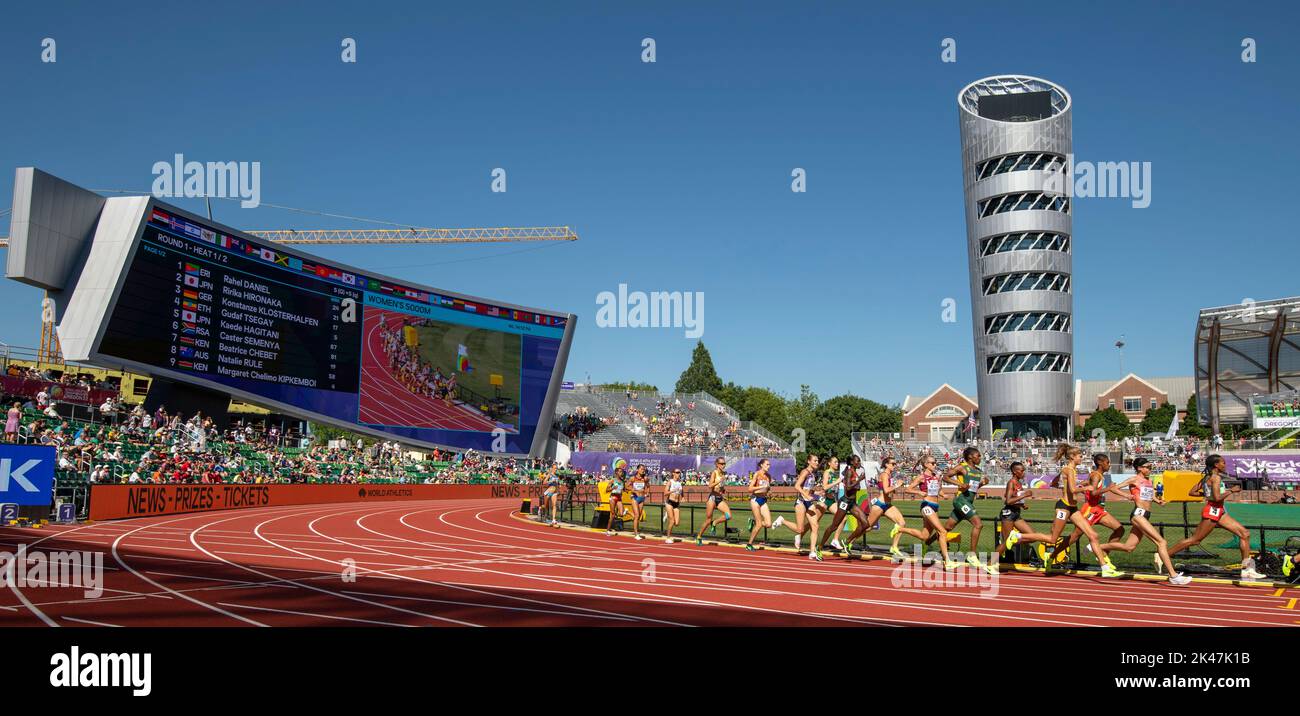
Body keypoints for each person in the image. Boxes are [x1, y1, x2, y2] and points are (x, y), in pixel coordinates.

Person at [1163, 454, 1266, 580]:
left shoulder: (1207, 477)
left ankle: (1247, 569)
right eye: (1223, 463)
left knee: (1244, 534)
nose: (1225, 465)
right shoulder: (1215, 478)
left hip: (1219, 511)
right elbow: (1217, 498)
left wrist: (1207, 494)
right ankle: (1163, 555)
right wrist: (1231, 491)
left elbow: (1192, 492)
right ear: (1216, 465)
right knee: (1195, 540)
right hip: (1213, 510)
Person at [1095, 457, 1191, 585]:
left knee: (1129, 547)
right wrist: (1127, 495)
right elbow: (1113, 488)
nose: (1150, 469)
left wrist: (1158, 501)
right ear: (1140, 468)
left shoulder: (1148, 481)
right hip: (1138, 515)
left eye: (1151, 467)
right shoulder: (1134, 479)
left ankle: (1096, 547)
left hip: (1145, 515)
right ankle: (1173, 576)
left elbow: (1149, 496)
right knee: (1161, 542)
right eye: (1148, 467)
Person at [1040, 444, 1120, 577]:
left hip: (1075, 508)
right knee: (1054, 539)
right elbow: (1077, 490)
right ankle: (997, 558)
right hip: (1069, 507)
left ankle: (1104, 566)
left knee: (1094, 535)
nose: (1082, 458)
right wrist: (1084, 488)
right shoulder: (1071, 470)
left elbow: (1058, 483)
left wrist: (1064, 485)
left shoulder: (1071, 470)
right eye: (1080, 456)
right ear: (1072, 457)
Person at [840, 456, 929, 561]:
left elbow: (886, 490)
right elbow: (886, 491)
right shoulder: (885, 475)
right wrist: (897, 485)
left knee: (901, 523)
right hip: (879, 505)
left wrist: (894, 489)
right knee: (867, 527)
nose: (894, 465)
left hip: (887, 505)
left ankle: (894, 547)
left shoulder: (888, 475)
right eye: (892, 464)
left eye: (895, 464)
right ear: (886, 464)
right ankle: (848, 541)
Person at [999, 461, 1058, 559]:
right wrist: (1024, 495)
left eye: (1024, 471)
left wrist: (1022, 505)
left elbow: (1013, 498)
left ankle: (1014, 539)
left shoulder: (1019, 483)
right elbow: (1008, 501)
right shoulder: (1011, 482)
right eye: (1021, 471)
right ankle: (991, 562)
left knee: (1032, 536)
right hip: (1008, 514)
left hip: (1016, 514)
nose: (1023, 473)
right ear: (1014, 471)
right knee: (1006, 543)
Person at [775, 454, 820, 553]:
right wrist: (806, 495)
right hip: (801, 502)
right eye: (815, 461)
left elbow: (808, 489)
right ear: (809, 461)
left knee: (815, 526)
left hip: (809, 502)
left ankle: (812, 552)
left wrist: (816, 492)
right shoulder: (805, 472)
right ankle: (782, 521)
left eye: (817, 461)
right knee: (800, 530)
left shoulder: (812, 474)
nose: (817, 462)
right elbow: (797, 486)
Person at [744, 459, 785, 551]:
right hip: (755, 500)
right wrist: (761, 487)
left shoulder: (768, 476)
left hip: (763, 500)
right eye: (767, 464)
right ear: (761, 465)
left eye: (769, 465)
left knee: (768, 524)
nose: (768, 466)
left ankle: (752, 521)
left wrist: (769, 492)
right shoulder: (757, 474)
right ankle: (749, 544)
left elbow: (768, 488)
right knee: (759, 525)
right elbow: (749, 489)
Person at [695, 458, 733, 545]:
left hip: (719, 498)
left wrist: (723, 491)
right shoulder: (714, 473)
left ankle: (714, 522)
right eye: (721, 463)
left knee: (728, 515)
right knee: (708, 520)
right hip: (712, 498)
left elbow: (721, 487)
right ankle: (699, 536)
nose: (723, 465)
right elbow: (710, 486)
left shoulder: (723, 474)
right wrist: (719, 481)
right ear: (717, 464)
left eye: (724, 463)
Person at [628, 465, 650, 540]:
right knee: (637, 515)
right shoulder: (633, 478)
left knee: (638, 516)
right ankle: (636, 534)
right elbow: (627, 486)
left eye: (644, 469)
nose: (643, 470)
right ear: (637, 470)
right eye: (641, 469)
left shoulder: (645, 478)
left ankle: (636, 531)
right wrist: (634, 491)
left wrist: (647, 493)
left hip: (642, 498)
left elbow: (648, 486)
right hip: (634, 498)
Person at [664, 469, 684, 544]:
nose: (678, 474)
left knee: (677, 523)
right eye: (677, 472)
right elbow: (665, 493)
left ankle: (667, 514)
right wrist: (673, 490)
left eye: (679, 472)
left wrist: (682, 497)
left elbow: (681, 492)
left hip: (676, 504)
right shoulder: (670, 482)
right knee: (672, 521)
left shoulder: (680, 483)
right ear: (673, 473)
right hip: (669, 502)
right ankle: (668, 538)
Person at [604, 467, 626, 536]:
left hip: (619, 498)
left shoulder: (622, 481)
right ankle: (607, 530)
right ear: (616, 473)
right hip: (613, 497)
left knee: (621, 514)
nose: (621, 473)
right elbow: (606, 490)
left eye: (622, 472)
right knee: (613, 514)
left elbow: (624, 489)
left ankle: (624, 511)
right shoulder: (613, 480)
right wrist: (613, 488)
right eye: (620, 472)